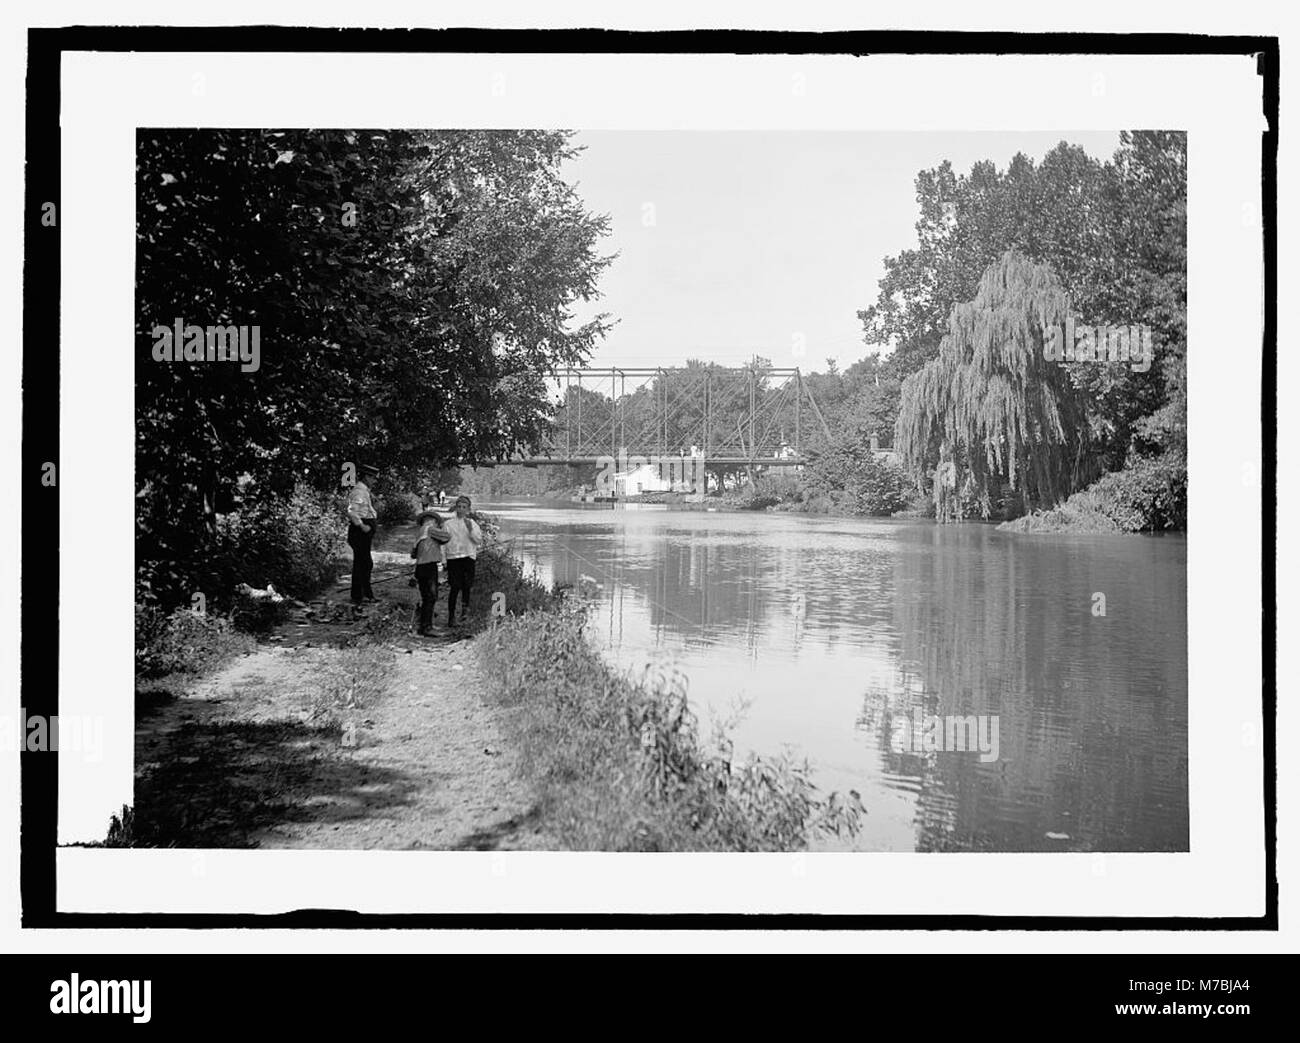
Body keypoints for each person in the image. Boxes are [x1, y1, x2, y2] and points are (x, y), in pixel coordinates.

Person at [442, 495, 482, 628]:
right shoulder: (448, 524)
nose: (461, 509)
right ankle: (451, 617)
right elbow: (443, 543)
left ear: (468, 509)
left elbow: (478, 541)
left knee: (467, 587)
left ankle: (464, 615)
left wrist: (470, 530)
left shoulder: (473, 524)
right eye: (459, 506)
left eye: (464, 507)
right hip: (453, 558)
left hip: (468, 557)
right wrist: (443, 561)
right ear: (455, 508)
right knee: (454, 587)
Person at [411, 506, 451, 636]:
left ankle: (424, 625)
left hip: (420, 567)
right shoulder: (430, 529)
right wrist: (442, 529)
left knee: (426, 596)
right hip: (429, 567)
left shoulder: (420, 532)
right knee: (431, 597)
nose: (436, 524)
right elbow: (447, 537)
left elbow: (413, 554)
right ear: (431, 521)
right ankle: (427, 628)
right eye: (435, 522)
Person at [345, 463, 380, 605]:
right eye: (373, 478)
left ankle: (362, 594)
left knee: (364, 563)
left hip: (364, 533)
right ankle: (361, 595)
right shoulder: (359, 491)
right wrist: (362, 525)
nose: (374, 481)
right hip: (360, 532)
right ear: (366, 477)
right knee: (363, 563)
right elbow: (352, 511)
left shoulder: (364, 491)